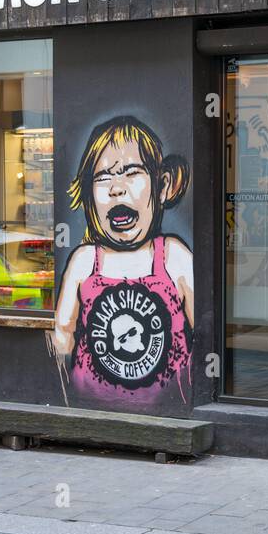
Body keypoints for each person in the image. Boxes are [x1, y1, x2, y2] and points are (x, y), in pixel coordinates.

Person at [53, 116, 194, 410]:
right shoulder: (84, 262)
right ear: (89, 195)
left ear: (162, 185)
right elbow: (63, 334)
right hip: (88, 406)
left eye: (131, 172)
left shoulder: (174, 257)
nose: (116, 188)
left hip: (167, 410)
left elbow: (205, 328)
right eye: (103, 177)